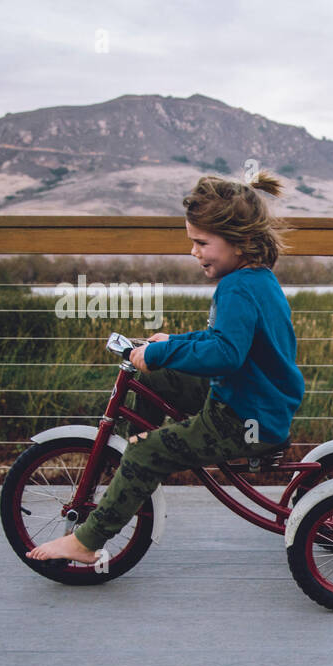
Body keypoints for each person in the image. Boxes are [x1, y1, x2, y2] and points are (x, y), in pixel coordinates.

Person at [27, 172, 306, 565]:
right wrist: (171, 344)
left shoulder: (237, 289)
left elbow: (226, 353)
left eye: (202, 243)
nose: (194, 252)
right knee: (156, 377)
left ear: (240, 243)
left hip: (241, 418)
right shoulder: (255, 280)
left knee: (144, 453)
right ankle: (142, 455)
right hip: (256, 403)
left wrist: (160, 354)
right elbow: (222, 339)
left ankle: (89, 539)